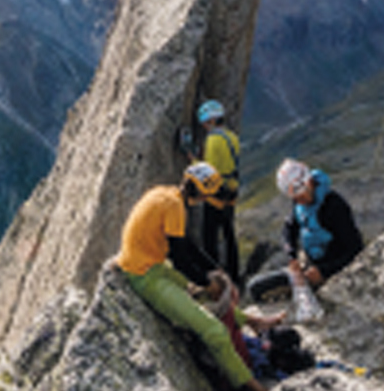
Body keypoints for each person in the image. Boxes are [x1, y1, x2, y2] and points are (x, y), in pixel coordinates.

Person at [118, 163, 268, 391]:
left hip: (151, 266)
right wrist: (209, 283)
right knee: (215, 332)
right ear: (201, 193)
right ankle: (250, 384)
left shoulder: (165, 194)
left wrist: (217, 273)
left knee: (201, 295)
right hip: (145, 276)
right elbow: (181, 259)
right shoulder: (175, 206)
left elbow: (186, 245)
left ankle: (251, 321)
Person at [247, 158, 364, 304]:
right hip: (309, 266)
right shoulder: (300, 204)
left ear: (309, 182)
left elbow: (356, 249)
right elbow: (288, 228)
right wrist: (292, 256)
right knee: (254, 286)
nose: (299, 200)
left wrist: (324, 271)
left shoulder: (334, 207)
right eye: (295, 197)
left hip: (332, 267)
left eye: (301, 195)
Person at [197, 99, 241, 284]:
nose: (205, 127)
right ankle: (234, 273)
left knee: (210, 236)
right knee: (229, 234)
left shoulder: (213, 139)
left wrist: (192, 160)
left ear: (212, 121)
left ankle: (214, 274)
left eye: (206, 123)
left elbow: (208, 171)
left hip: (216, 194)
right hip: (231, 191)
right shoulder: (232, 137)